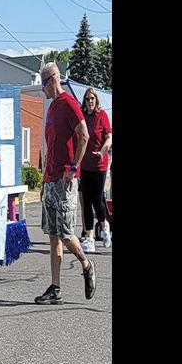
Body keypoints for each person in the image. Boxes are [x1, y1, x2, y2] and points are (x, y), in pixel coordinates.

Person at [35, 62, 96, 304]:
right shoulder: (51, 109)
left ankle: (86, 263)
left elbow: (84, 135)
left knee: (66, 233)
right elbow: (50, 147)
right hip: (50, 180)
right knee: (53, 236)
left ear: (52, 80)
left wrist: (73, 167)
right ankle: (55, 288)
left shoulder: (69, 104)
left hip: (64, 181)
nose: (42, 90)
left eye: (43, 84)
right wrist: (42, 181)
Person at [79, 88, 113, 249]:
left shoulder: (102, 116)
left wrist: (102, 151)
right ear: (84, 101)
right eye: (87, 99)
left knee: (97, 199)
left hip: (100, 164)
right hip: (85, 164)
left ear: (96, 100)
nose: (90, 101)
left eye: (92, 98)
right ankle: (90, 238)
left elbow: (109, 138)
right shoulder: (82, 117)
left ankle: (105, 226)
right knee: (86, 200)